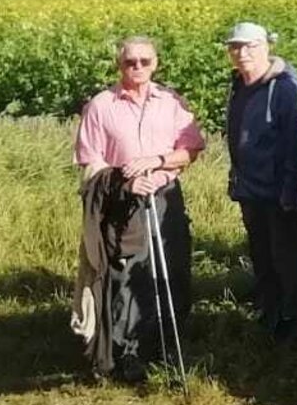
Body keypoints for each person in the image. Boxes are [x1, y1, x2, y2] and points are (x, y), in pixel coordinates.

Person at [73, 35, 206, 381]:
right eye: (131, 62)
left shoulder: (171, 101)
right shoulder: (102, 105)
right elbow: (89, 161)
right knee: (127, 274)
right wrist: (126, 183)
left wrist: (158, 162)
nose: (138, 68)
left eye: (145, 61)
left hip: (165, 196)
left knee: (171, 268)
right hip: (123, 203)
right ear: (120, 65)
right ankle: (126, 353)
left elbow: (190, 148)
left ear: (155, 63)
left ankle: (167, 343)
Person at [221, 21, 297, 346]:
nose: (242, 53)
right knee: (262, 256)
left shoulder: (284, 86)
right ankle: (270, 312)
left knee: (287, 258)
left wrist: (291, 186)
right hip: (249, 188)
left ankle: (295, 321)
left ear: (266, 47)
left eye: (249, 46)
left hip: (278, 189)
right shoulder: (238, 84)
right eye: (235, 47)